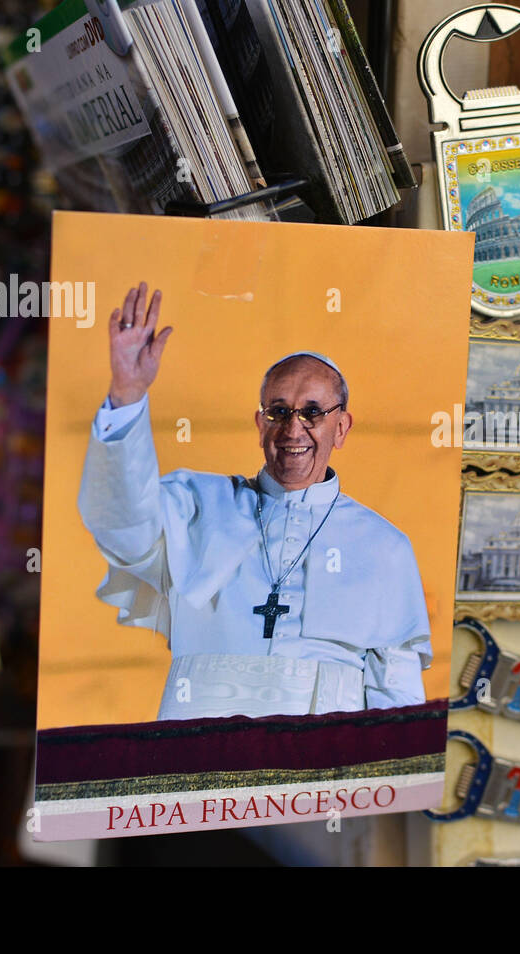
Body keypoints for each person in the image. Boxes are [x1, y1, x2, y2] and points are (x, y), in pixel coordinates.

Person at [76, 282, 431, 720]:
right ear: (260, 425)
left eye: (312, 412)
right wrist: (126, 396)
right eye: (278, 412)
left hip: (325, 754)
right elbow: (120, 522)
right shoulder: (196, 507)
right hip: (199, 743)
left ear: (341, 428)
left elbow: (396, 695)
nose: (293, 429)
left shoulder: (384, 546)